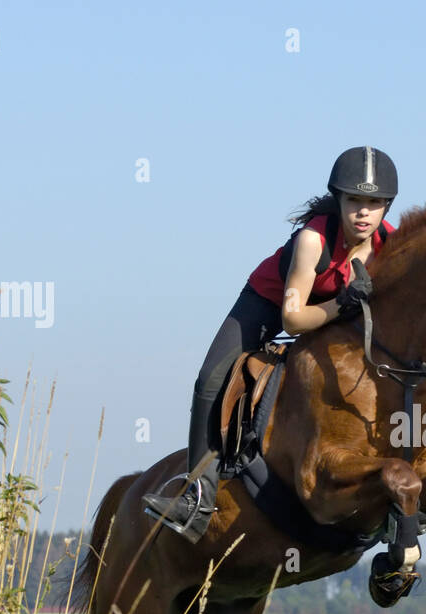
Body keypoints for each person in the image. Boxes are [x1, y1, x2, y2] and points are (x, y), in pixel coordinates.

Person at [142, 146, 399, 542]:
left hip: (334, 313)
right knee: (210, 377)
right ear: (339, 200)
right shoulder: (314, 240)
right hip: (269, 303)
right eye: (354, 201)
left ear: (387, 207)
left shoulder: (390, 246)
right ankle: (197, 495)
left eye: (374, 203)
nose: (363, 213)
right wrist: (341, 303)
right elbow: (292, 320)